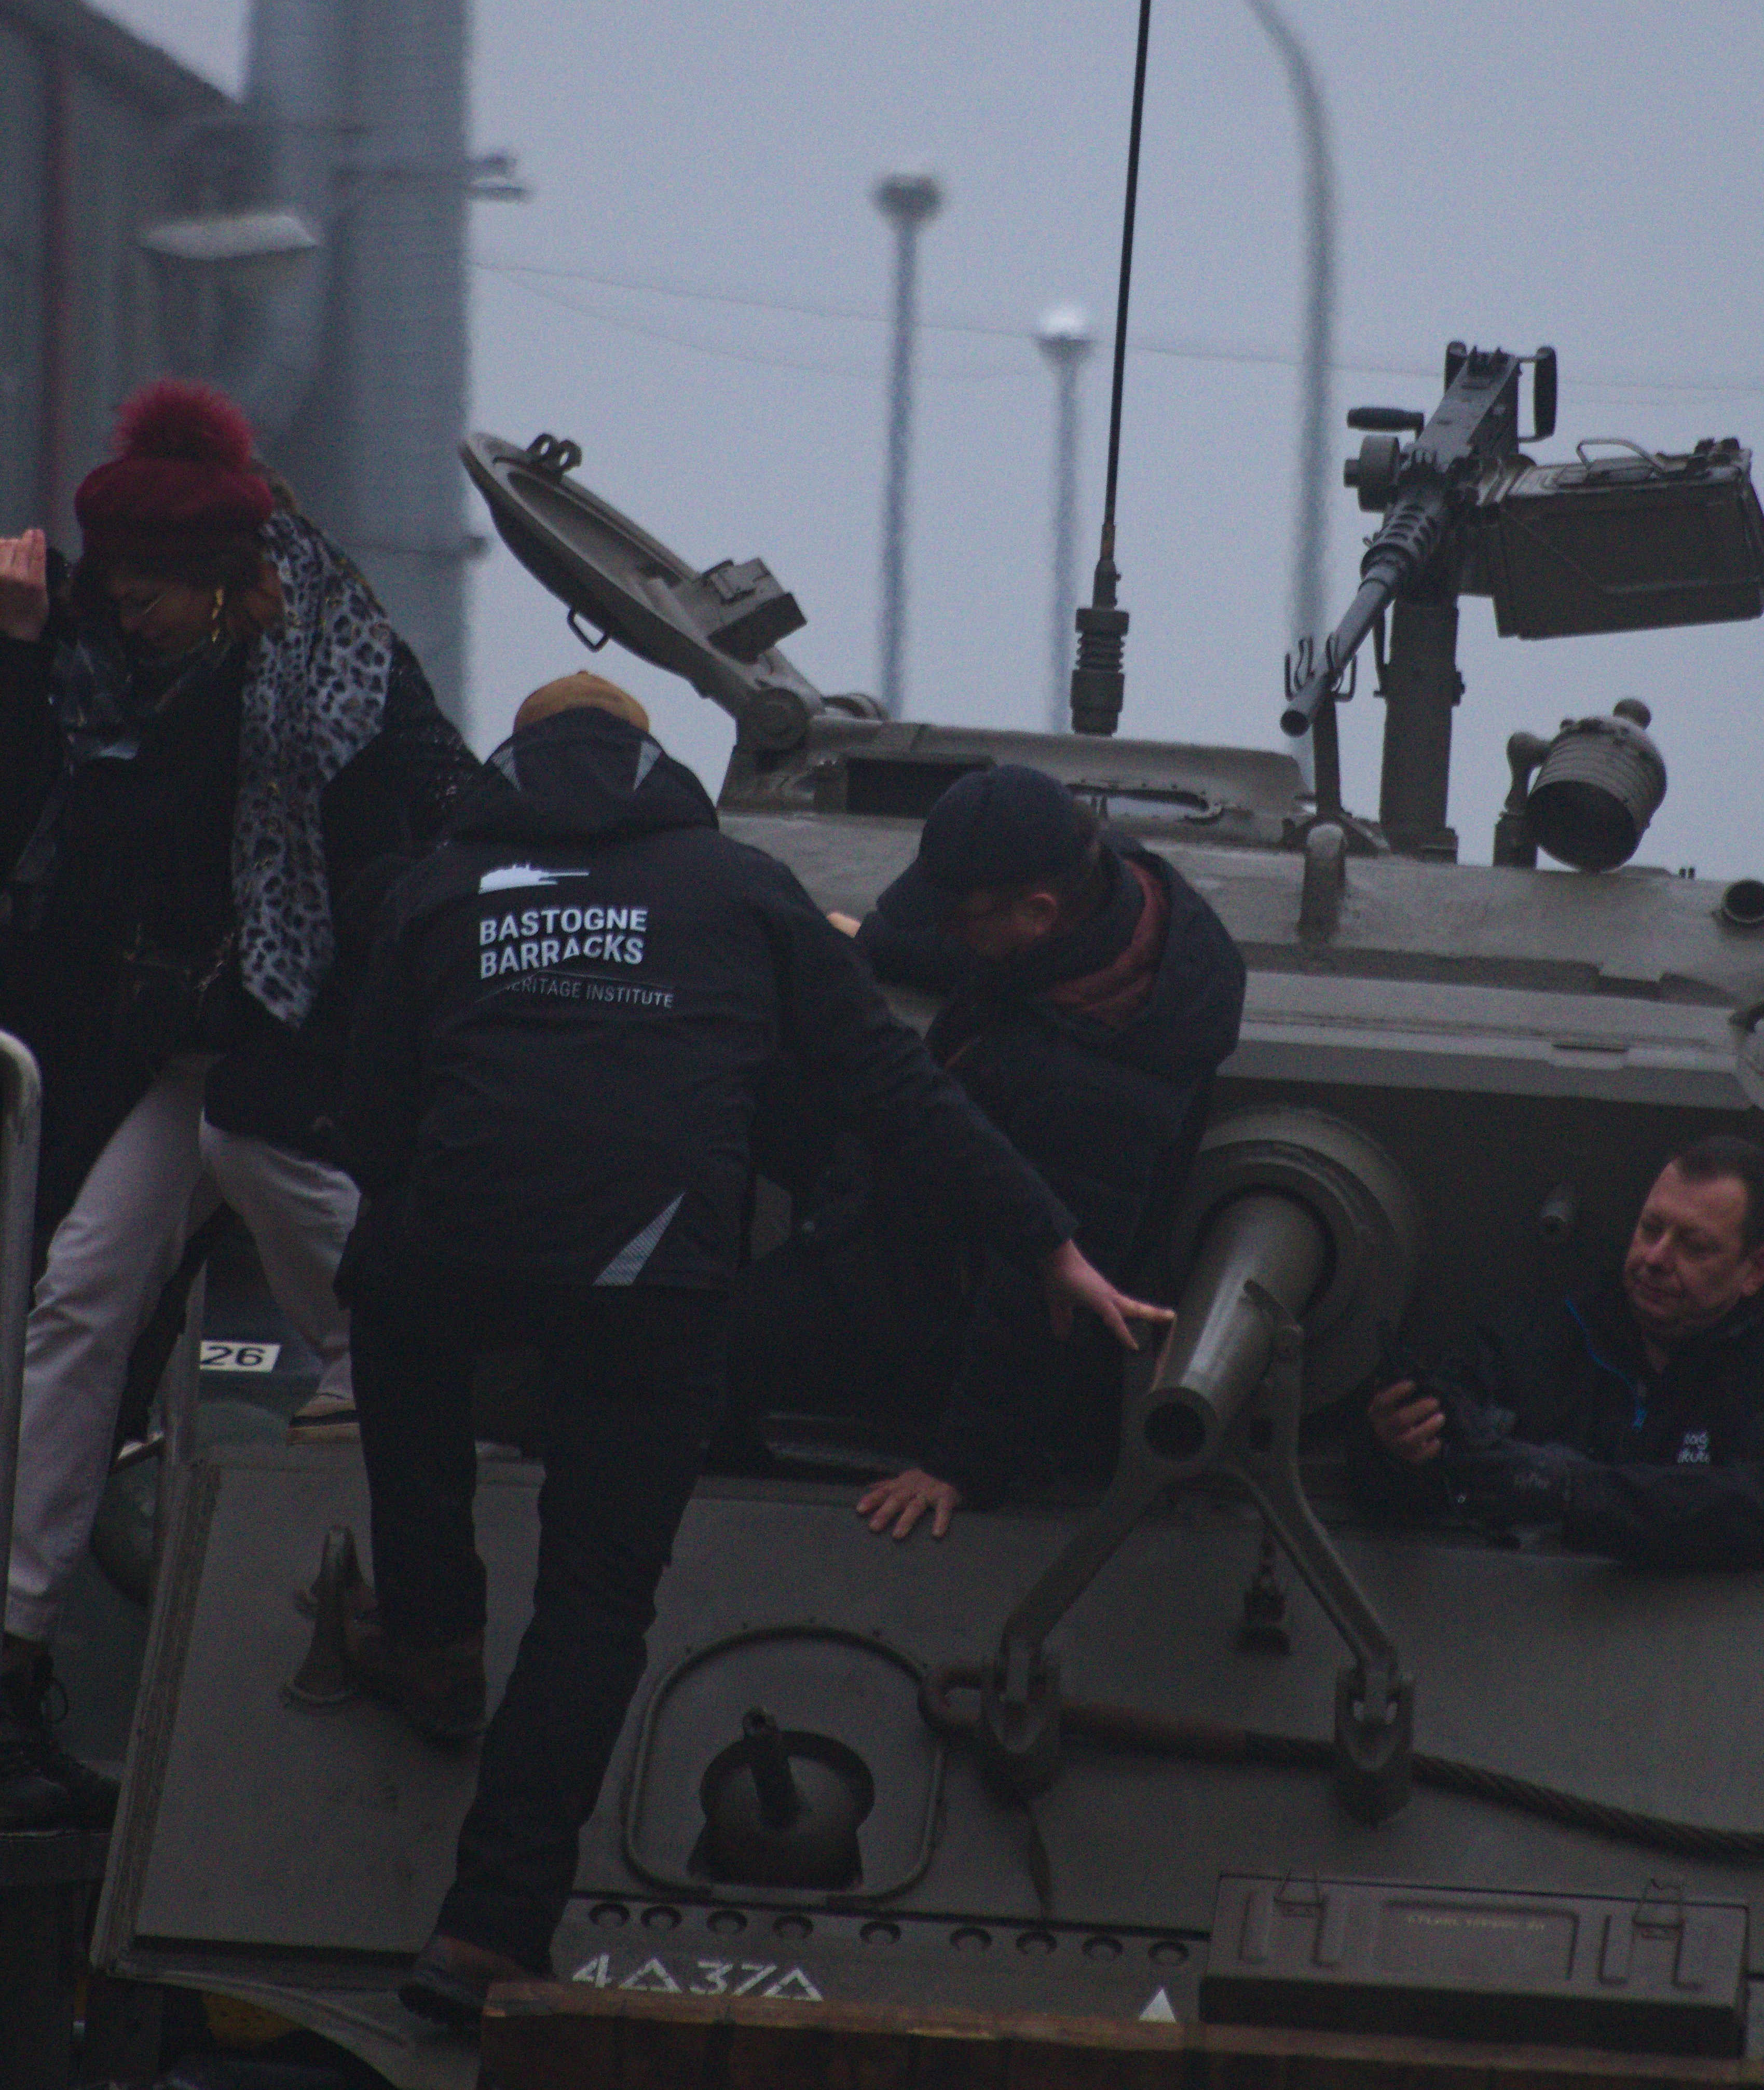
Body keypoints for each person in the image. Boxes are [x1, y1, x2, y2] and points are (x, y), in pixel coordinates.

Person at [333, 677, 1168, 2030]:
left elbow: (369, 1121)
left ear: (511, 763)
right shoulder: (743, 885)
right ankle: (486, 1932)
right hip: (658, 1287)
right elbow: (896, 1095)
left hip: (465, 1250)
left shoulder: (437, 892)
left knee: (388, 1300)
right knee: (595, 1601)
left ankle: (428, 1633)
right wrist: (1050, 1242)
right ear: (651, 764)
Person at [0, 381, 476, 1831]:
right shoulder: (79, 659)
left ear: (218, 587)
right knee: (82, 1294)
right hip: (174, 1033)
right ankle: (19, 1637)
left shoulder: (335, 666)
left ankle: (387, 1385)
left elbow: (424, 809)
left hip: (301, 1021)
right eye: (115, 587)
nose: (123, 613)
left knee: (265, 1170)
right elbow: (40, 820)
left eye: (150, 592)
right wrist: (21, 659)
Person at [721, 761, 1246, 1541]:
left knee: (695, 1351)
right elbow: (1006, 964)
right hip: (936, 1161)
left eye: (953, 918)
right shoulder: (1113, 890)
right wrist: (875, 945)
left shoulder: (1096, 1093)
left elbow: (1039, 1295)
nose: (942, 931)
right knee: (737, 1083)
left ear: (1035, 912)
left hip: (926, 1291)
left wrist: (962, 1465)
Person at [1352, 1135, 1764, 1570]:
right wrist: (1398, 1448)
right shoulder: (1537, 1339)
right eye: (1650, 1228)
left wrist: (1576, 1495)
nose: (1655, 1258)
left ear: (1756, 1269)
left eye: (1694, 1246)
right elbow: (1412, 1481)